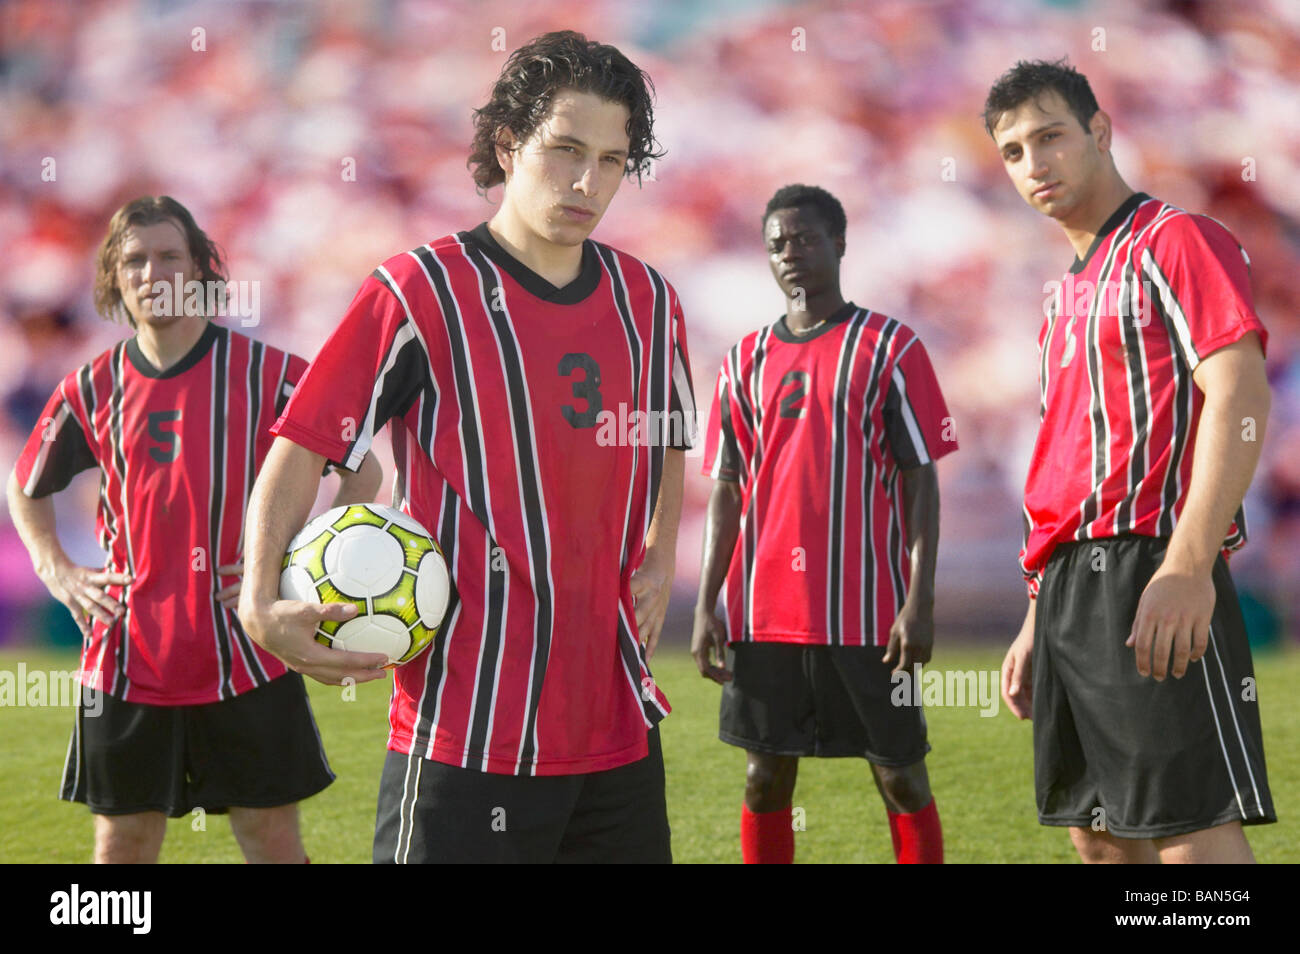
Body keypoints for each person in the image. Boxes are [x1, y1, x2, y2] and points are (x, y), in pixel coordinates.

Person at [238, 30, 695, 864]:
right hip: (467, 728)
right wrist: (259, 601)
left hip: (620, 726)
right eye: (565, 151)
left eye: (612, 159)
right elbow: (303, 445)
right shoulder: (419, 293)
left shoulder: (649, 302)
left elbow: (671, 432)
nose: (589, 182)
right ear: (508, 143)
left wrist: (661, 550)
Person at [8, 195, 382, 863]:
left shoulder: (268, 374)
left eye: (169, 256)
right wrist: (56, 569)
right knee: (122, 842)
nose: (152, 273)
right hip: (125, 656)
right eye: (134, 260)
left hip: (247, 650)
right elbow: (26, 485)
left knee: (269, 837)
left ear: (203, 268)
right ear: (113, 278)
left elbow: (362, 468)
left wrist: (296, 564)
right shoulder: (91, 389)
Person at [987, 59, 1276, 863]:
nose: (1034, 163)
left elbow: (1241, 399)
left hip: (1153, 562)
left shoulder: (1175, 240)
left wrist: (1187, 566)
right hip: (1068, 586)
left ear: (1101, 132)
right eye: (1013, 152)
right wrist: (1037, 613)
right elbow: (1067, 462)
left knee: (1186, 832)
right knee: (1103, 836)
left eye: (1050, 137)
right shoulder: (1065, 291)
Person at [692, 185, 955, 864]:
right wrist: (707, 603)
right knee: (764, 779)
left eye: (806, 238)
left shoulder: (891, 347)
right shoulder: (742, 360)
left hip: (867, 615)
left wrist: (918, 603)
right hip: (762, 614)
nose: (792, 254)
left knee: (899, 774)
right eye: (778, 243)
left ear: (839, 244)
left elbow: (920, 477)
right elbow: (727, 489)